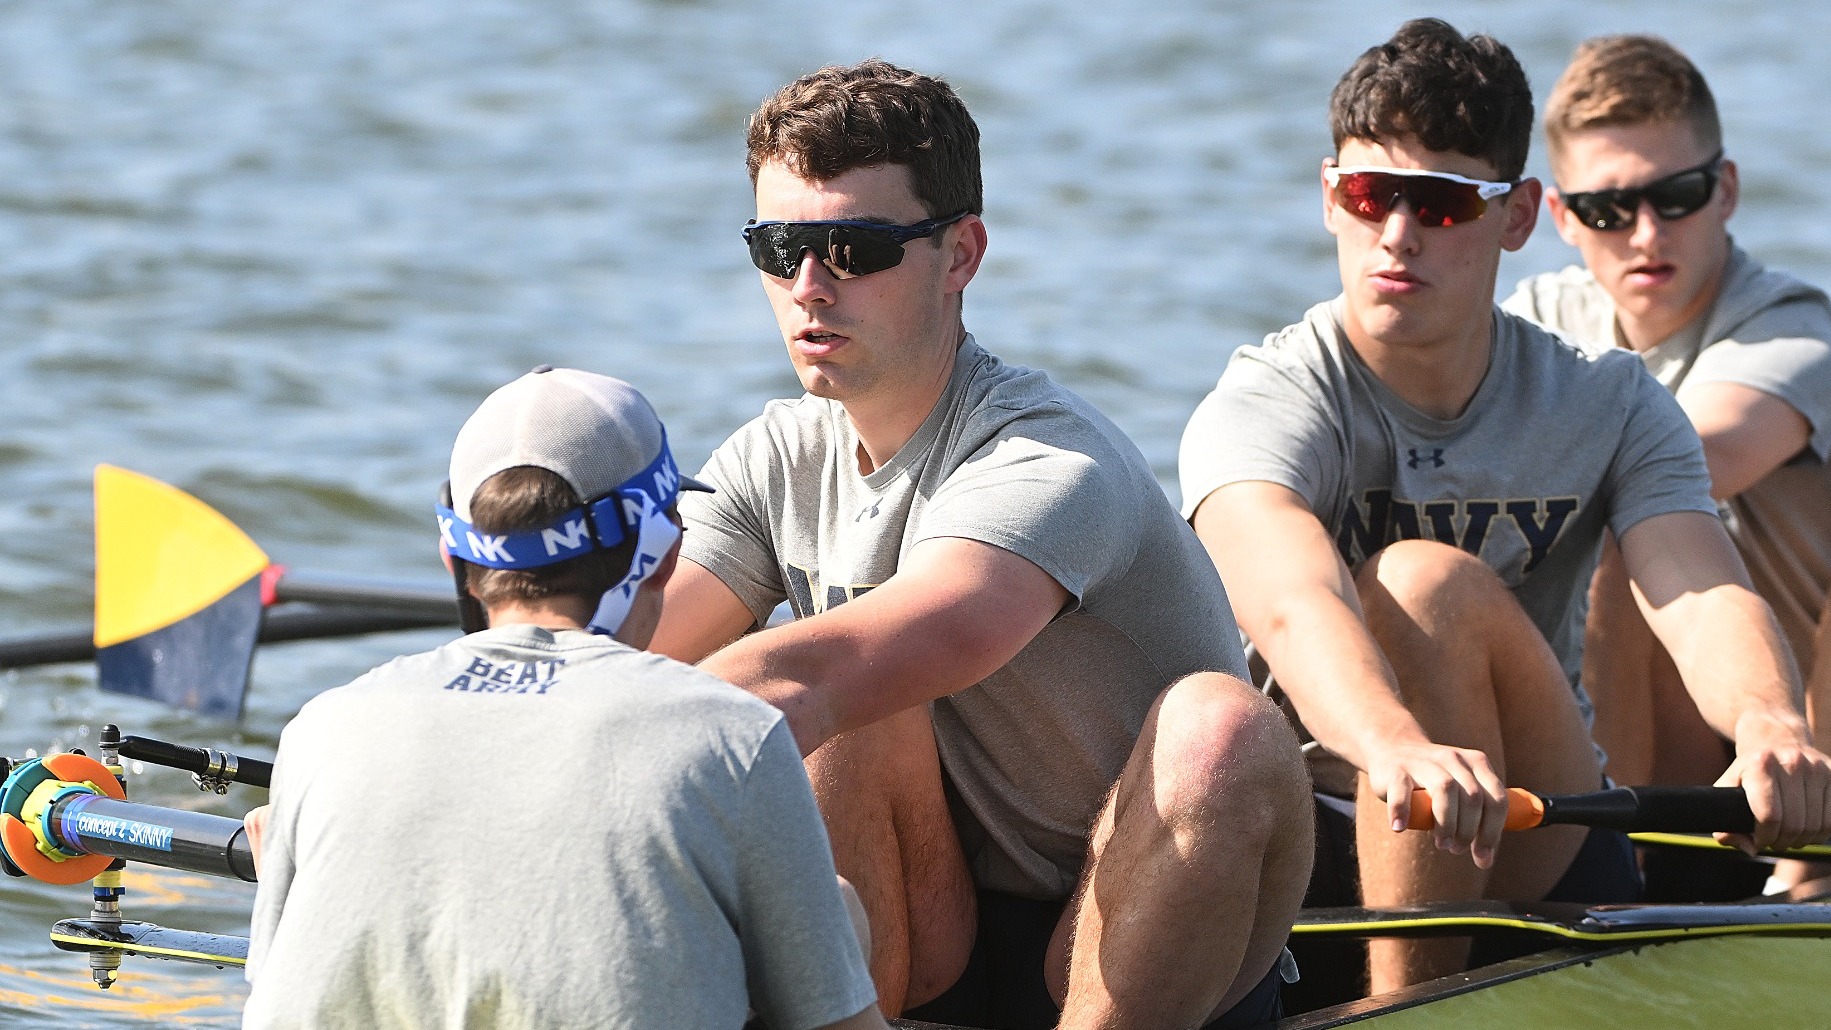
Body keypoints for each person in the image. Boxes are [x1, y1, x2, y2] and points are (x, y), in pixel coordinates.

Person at [650, 59, 1312, 1030]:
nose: (808, 286)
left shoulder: (1049, 460)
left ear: (960, 254)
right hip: (944, 930)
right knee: (845, 689)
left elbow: (894, 645)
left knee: (1226, 727)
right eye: (778, 246)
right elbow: (621, 657)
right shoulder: (772, 459)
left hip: (1149, 941)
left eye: (852, 248)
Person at [1178, 18, 1831, 994]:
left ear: (1518, 215)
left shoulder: (1611, 403)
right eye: (1370, 194)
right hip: (1319, 815)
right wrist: (1395, 746)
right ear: (1329, 196)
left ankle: (1408, 1002)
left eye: (1442, 203)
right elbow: (1286, 599)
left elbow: (1697, 591)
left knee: (1426, 587)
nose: (1397, 234)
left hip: (1536, 827)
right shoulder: (1266, 400)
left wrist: (1771, 723)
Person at [243, 367, 886, 1030]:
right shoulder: (732, 734)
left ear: (455, 560)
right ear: (666, 552)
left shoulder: (321, 731)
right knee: (836, 909)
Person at [1504, 35, 1831, 796]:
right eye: (1608, 209)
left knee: (1617, 511)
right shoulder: (1537, 320)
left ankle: (1608, 835)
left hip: (1796, 725)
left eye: (1676, 195)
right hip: (1660, 716)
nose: (1646, 234)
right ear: (1561, 216)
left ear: (1725, 190)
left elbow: (1696, 457)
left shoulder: (1793, 331)